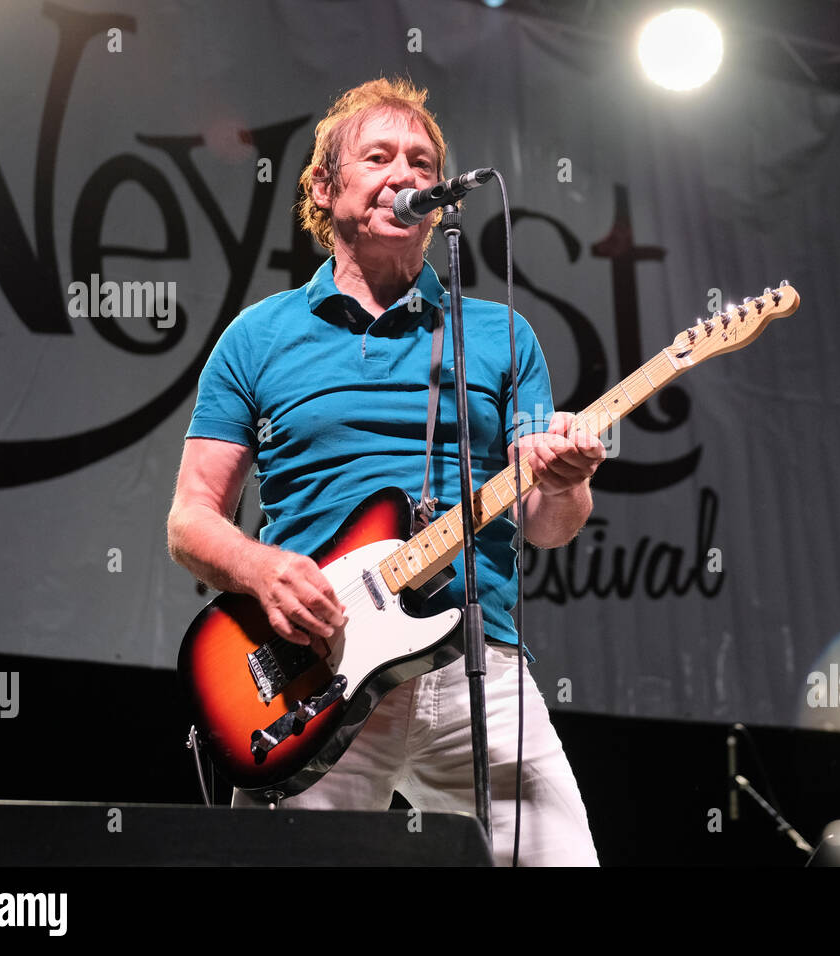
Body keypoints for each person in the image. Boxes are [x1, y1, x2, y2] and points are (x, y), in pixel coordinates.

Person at [166, 77, 603, 866]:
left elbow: (546, 525)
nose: (406, 173)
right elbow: (191, 520)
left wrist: (567, 481)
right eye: (379, 156)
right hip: (312, 673)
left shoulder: (502, 335)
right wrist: (263, 571)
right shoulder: (255, 337)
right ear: (323, 188)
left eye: (422, 160)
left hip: (476, 659)